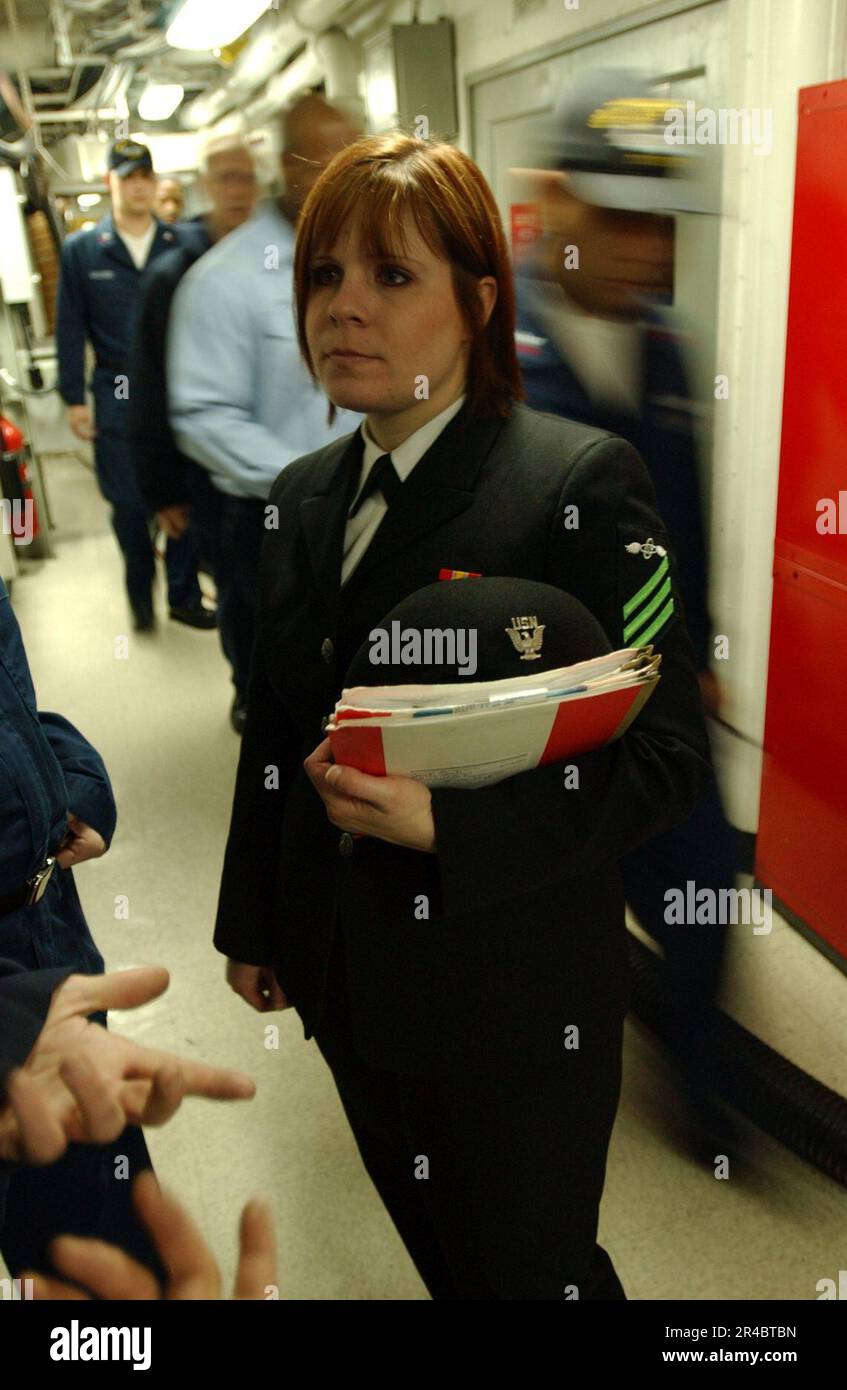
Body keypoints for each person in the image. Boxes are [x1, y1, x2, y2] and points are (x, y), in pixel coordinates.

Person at [212, 132, 713, 1299]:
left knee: (530, 1271)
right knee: (451, 1261)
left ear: (479, 301)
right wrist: (256, 919)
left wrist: (456, 829)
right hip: (349, 985)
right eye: (324, 276)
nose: (345, 307)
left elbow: (669, 753)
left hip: (512, 1003)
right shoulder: (300, 497)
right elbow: (279, 728)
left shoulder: (575, 486)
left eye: (393, 277)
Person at [514, 71, 738, 1145]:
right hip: (538, 714)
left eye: (657, 223)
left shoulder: (663, 346)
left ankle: (700, 1084)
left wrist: (696, 643)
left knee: (705, 887)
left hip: (653, 696)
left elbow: (682, 515)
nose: (644, 250)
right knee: (557, 934)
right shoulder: (484, 345)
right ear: (552, 200)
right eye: (616, 217)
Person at [167, 95, 360, 733]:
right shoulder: (225, 279)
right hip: (274, 524)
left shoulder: (380, 263)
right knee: (286, 698)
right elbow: (202, 413)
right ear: (289, 166)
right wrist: (319, 480)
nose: (345, 176)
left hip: (380, 512)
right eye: (327, 161)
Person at [56, 137, 212, 632]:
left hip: (180, 390)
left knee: (186, 491)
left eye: (145, 177)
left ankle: (184, 596)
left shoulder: (180, 243)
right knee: (128, 504)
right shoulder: (84, 251)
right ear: (111, 183)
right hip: (117, 392)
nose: (139, 187)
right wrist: (73, 399)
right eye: (128, 178)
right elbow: (69, 326)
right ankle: (141, 588)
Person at [130, 137, 260, 728]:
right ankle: (247, 689)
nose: (236, 189)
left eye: (246, 178)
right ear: (207, 185)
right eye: (225, 178)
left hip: (285, 461)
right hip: (210, 470)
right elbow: (148, 383)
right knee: (236, 585)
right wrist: (161, 489)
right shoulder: (173, 275)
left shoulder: (280, 259)